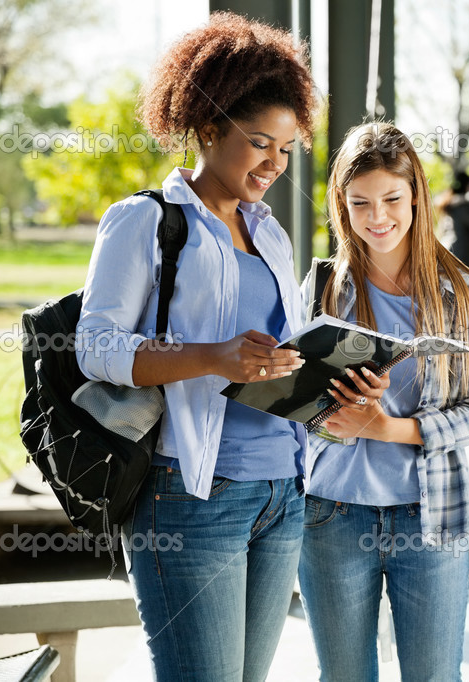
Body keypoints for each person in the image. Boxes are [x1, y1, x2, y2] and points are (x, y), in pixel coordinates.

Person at [75, 13, 316, 680]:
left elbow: (273, 359)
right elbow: (94, 346)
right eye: (260, 142)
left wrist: (328, 377)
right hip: (190, 495)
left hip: (280, 493)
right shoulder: (146, 221)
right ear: (209, 129)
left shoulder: (269, 234)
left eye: (287, 149)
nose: (275, 163)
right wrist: (213, 355)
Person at [298, 122, 469, 681]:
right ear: (341, 205)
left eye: (391, 198)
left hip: (429, 517)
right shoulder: (323, 288)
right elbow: (293, 410)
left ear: (417, 197)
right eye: (359, 203)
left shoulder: (460, 294)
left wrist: (387, 427)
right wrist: (334, 404)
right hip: (330, 514)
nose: (376, 217)